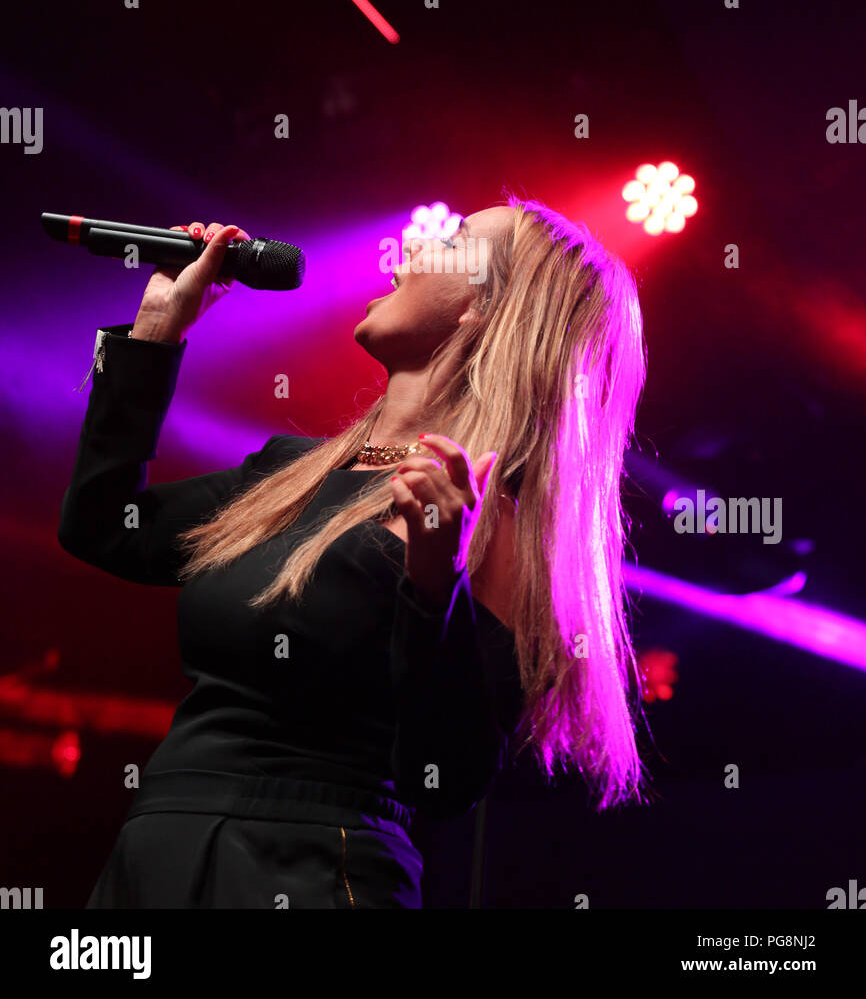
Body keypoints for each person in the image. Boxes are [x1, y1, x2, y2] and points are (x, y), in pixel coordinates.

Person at [58, 194, 647, 909]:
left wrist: (437, 587)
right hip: (152, 855)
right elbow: (102, 525)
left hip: (311, 869)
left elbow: (447, 775)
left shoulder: (497, 521)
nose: (416, 248)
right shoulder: (288, 473)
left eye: (454, 242)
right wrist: (154, 335)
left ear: (485, 312)